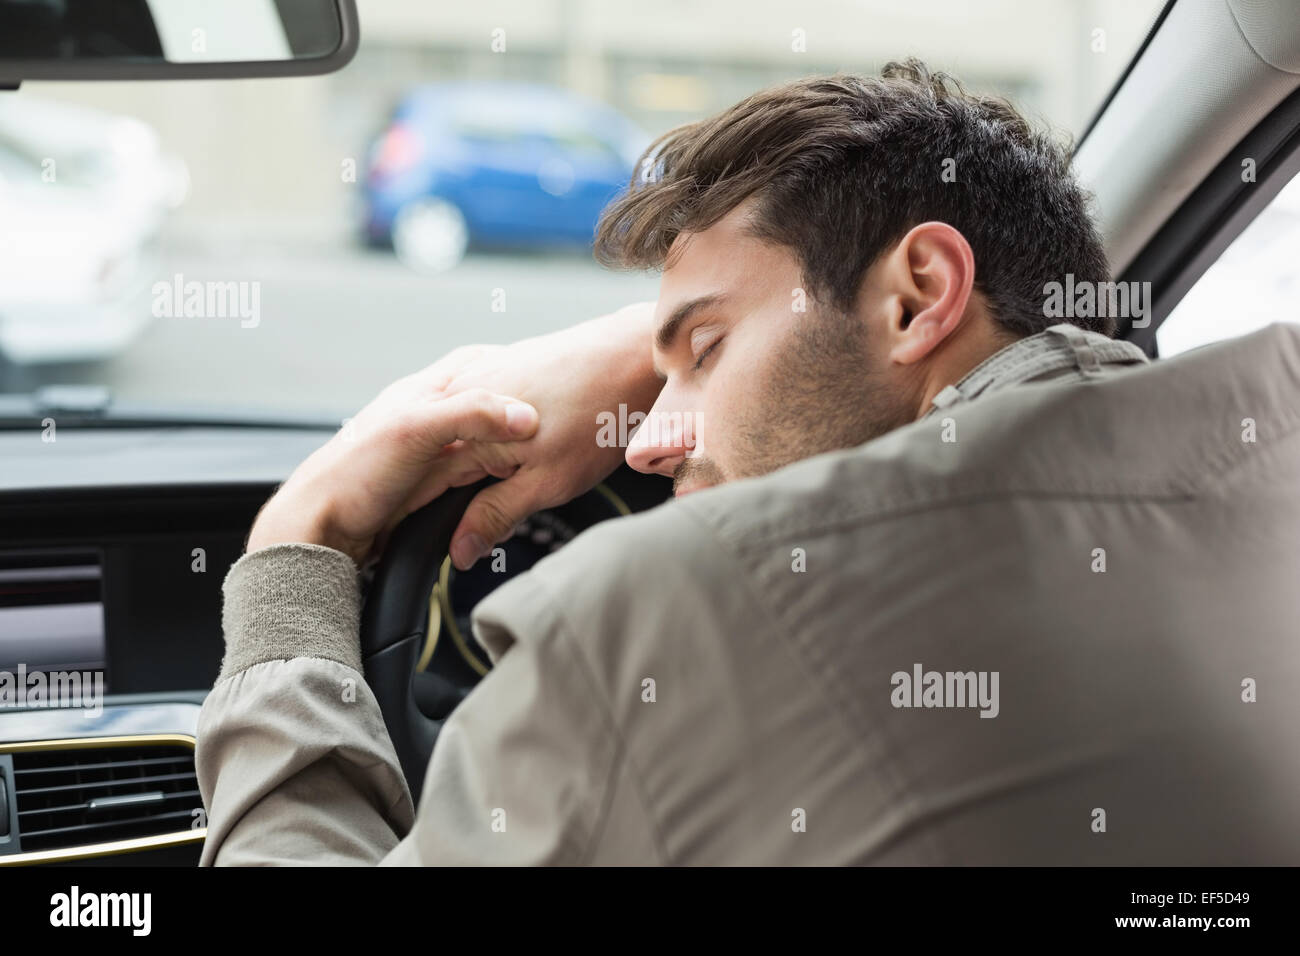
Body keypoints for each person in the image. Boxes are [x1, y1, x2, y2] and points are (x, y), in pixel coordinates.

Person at [195, 60, 1300, 865]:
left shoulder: (655, 621)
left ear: (919, 294)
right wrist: (666, 344)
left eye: (705, 349)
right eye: (659, 370)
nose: (652, 434)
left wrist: (306, 538)